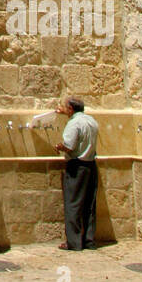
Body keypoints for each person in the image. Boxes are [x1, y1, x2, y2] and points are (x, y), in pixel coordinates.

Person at [55, 96, 99, 250]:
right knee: (89, 204)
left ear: (71, 109)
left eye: (66, 107)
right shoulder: (91, 121)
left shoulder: (73, 123)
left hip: (76, 166)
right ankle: (89, 240)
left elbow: (70, 146)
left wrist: (60, 147)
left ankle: (73, 242)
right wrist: (62, 112)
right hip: (91, 165)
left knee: (73, 203)